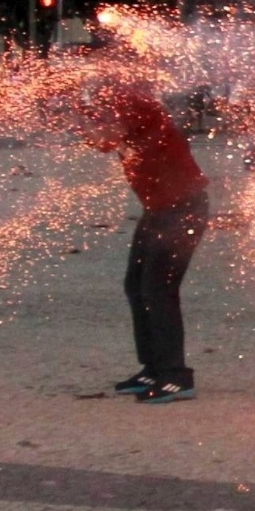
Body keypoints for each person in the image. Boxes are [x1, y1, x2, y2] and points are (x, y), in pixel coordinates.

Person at [73, 78, 212, 404]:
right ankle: (153, 368)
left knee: (158, 289)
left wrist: (75, 110)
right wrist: (79, 110)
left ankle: (176, 376)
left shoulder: (132, 99)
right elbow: (101, 139)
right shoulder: (119, 99)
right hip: (159, 210)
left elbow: (104, 138)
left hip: (182, 209)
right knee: (136, 285)